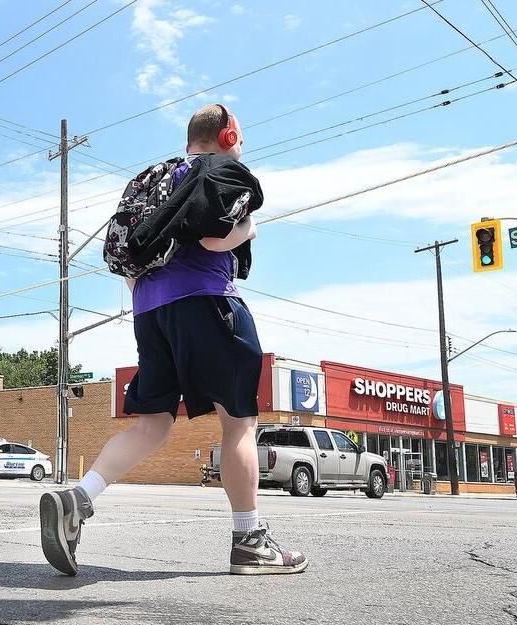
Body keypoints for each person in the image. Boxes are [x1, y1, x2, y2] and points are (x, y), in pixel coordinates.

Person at [39, 104, 307, 577]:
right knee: (238, 423)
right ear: (228, 135)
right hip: (209, 303)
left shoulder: (150, 179)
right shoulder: (224, 172)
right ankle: (249, 542)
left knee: (151, 424)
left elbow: (127, 260)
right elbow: (213, 241)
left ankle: (78, 499)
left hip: (149, 310)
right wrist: (250, 225)